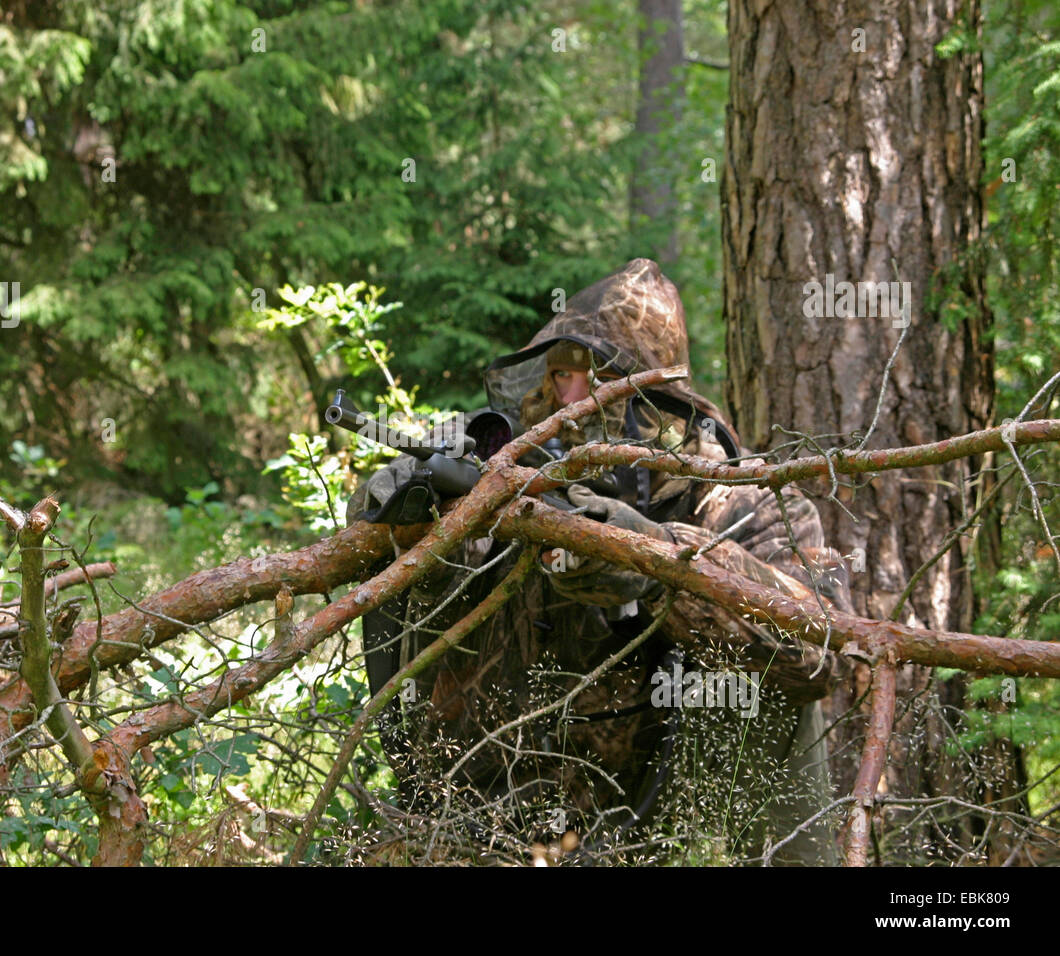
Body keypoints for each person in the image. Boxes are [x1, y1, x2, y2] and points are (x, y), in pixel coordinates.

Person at [346, 259, 853, 864]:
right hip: (520, 819)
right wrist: (409, 523)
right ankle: (451, 842)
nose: (573, 396)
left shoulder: (744, 501)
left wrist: (657, 566)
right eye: (560, 374)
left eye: (602, 375)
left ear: (660, 397)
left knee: (771, 685)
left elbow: (819, 650)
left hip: (671, 816)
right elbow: (424, 584)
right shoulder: (516, 466)